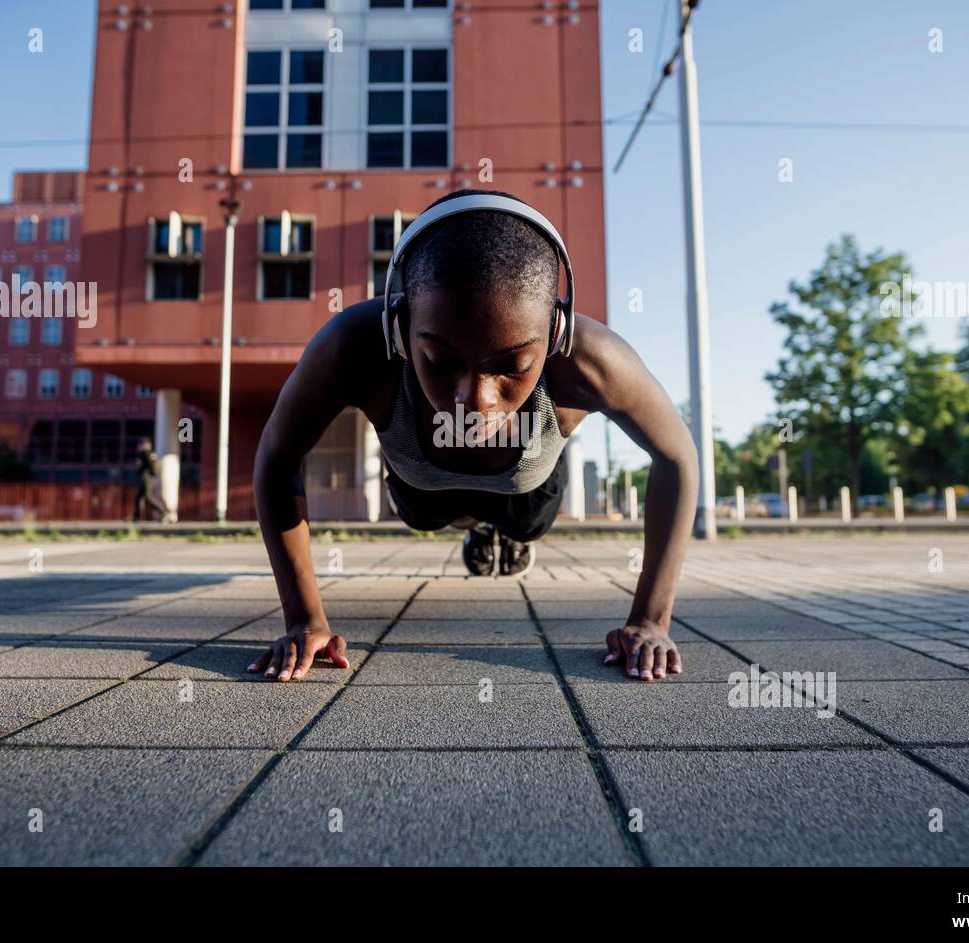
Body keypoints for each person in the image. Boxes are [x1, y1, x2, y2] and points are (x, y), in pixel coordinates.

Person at [249, 189, 698, 683]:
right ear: (398, 328)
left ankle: (496, 530)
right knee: (425, 516)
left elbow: (676, 456)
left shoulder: (590, 362)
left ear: (556, 334)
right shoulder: (352, 346)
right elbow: (277, 455)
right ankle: (467, 520)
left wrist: (651, 621)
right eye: (441, 362)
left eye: (512, 366)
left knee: (527, 524)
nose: (475, 401)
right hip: (422, 493)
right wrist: (304, 620)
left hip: (524, 495)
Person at [132, 439, 168, 522]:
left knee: (148, 498)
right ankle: (136, 517)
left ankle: (163, 511)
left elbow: (141, 466)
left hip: (146, 479)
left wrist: (139, 465)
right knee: (138, 498)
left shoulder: (145, 453)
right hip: (149, 478)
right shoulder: (151, 453)